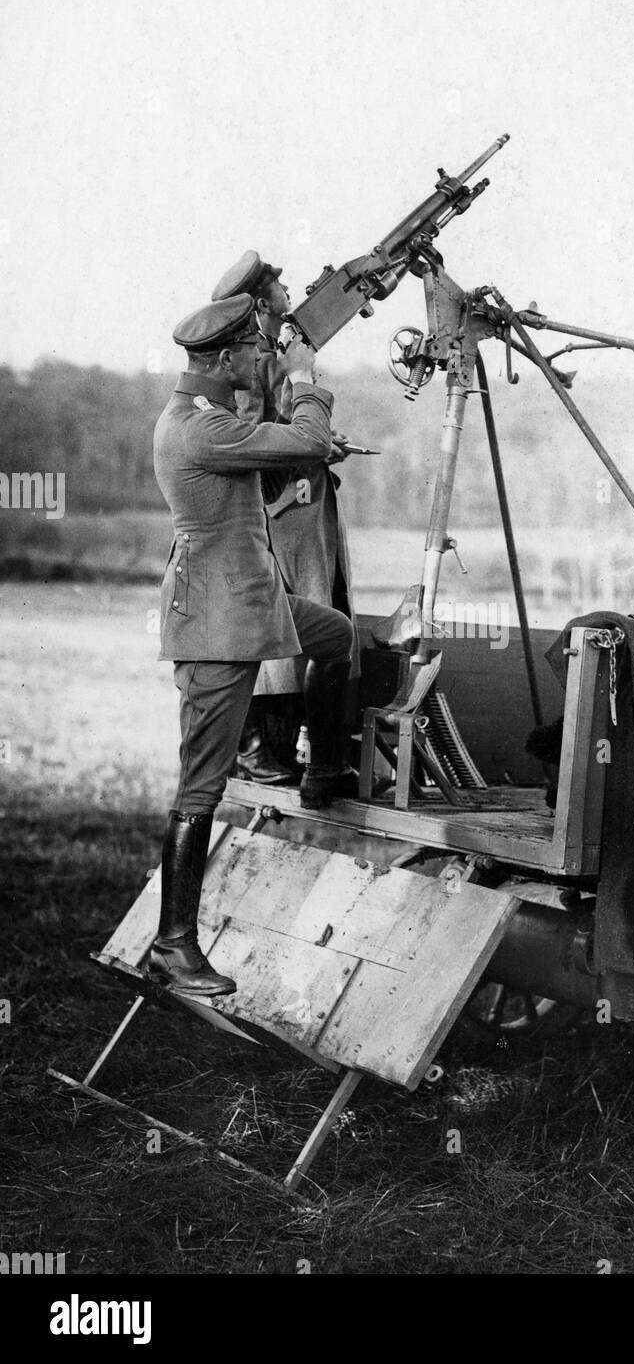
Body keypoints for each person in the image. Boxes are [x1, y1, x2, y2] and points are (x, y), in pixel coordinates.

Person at [149, 293, 353, 997]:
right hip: (218, 626)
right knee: (199, 789)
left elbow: (269, 462)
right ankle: (172, 946)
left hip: (249, 603)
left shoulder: (207, 421)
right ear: (229, 355)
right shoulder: (201, 428)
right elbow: (306, 442)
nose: (262, 355)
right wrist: (305, 379)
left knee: (340, 638)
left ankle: (330, 757)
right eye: (256, 349)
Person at [210, 251, 360, 793]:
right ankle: (256, 751)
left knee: (310, 629)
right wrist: (304, 451)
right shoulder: (255, 364)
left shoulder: (274, 352)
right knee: (275, 635)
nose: (286, 285)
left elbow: (287, 429)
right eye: (276, 283)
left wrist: (322, 447)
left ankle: (292, 753)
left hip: (302, 508)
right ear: (259, 303)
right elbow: (250, 442)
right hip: (280, 515)